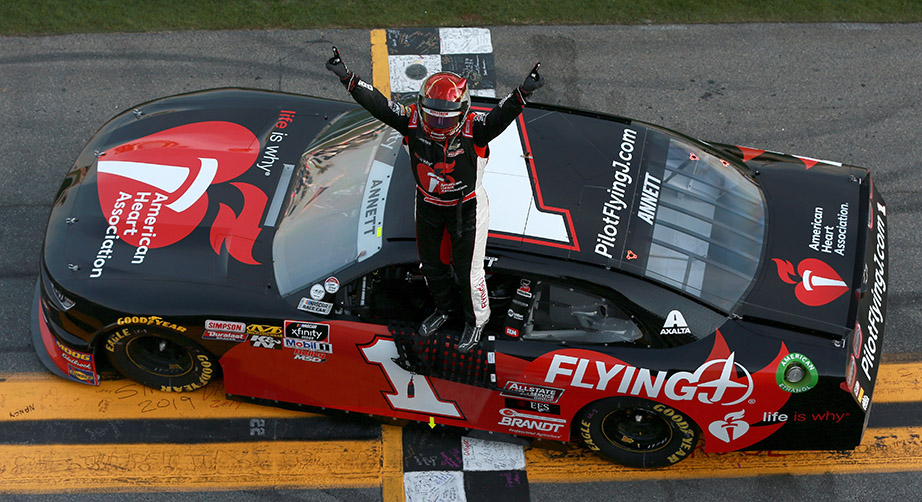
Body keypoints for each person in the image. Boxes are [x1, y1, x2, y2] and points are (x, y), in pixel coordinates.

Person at [326, 47, 544, 353]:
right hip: (428, 204)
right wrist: (348, 78)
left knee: (469, 273)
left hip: (467, 208)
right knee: (431, 266)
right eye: (433, 118)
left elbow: (503, 114)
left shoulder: (476, 129)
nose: (439, 126)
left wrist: (523, 92)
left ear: (462, 111)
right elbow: (378, 104)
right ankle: (445, 308)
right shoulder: (411, 120)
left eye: (445, 120)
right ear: (422, 107)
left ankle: (477, 321)